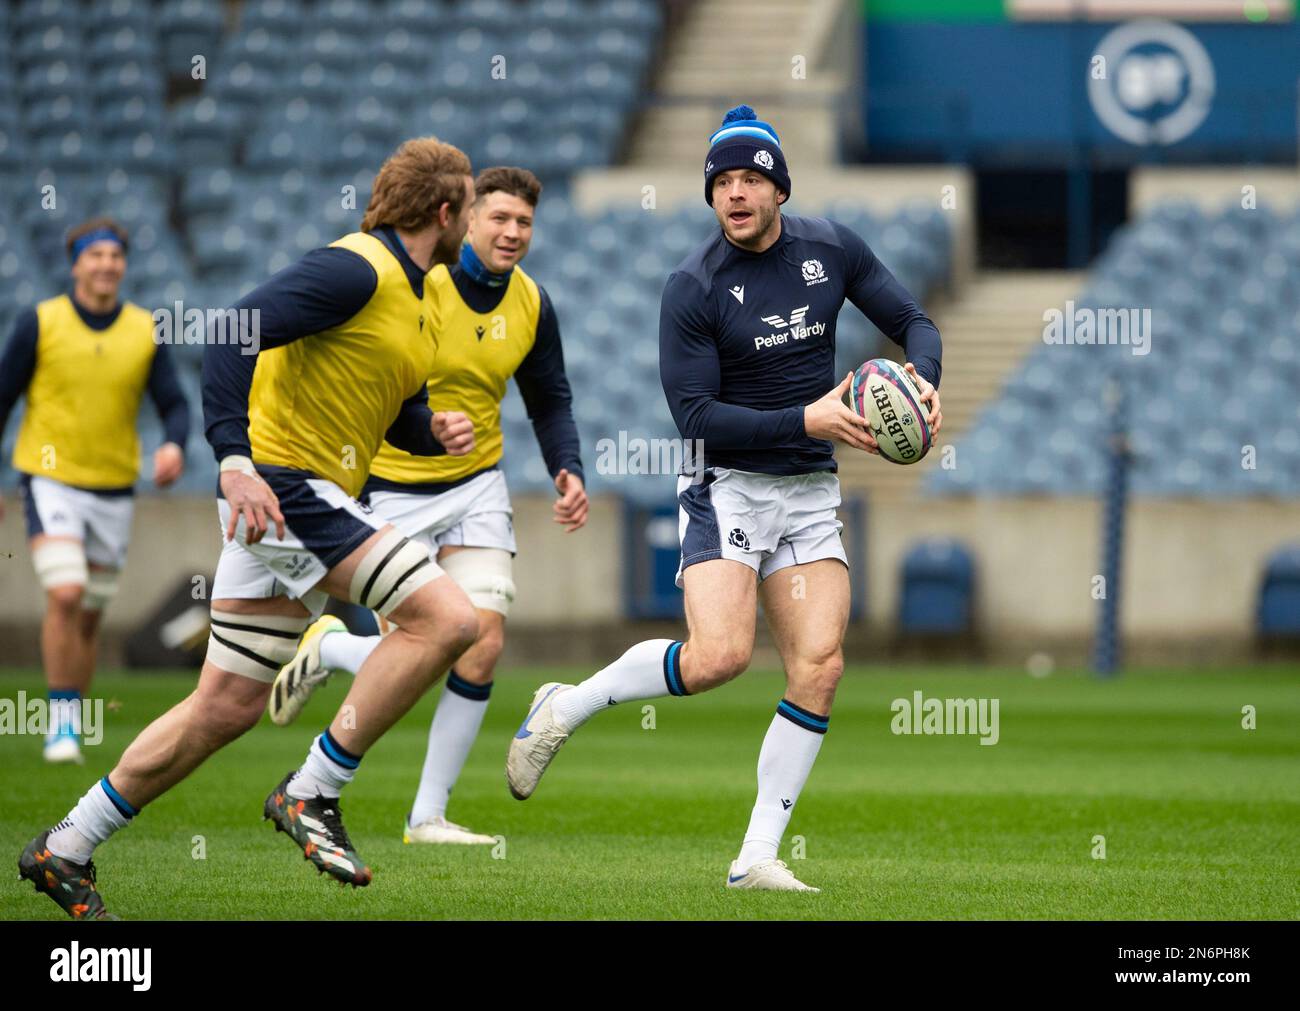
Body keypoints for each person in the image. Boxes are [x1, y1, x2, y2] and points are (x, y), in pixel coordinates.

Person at [18, 137, 481, 919]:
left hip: (288, 501)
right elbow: (232, 329)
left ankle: (65, 845)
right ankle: (313, 789)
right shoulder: (357, 267)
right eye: (469, 206)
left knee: (224, 707)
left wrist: (429, 429)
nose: (472, 222)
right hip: (285, 486)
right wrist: (233, 458)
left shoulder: (423, 297)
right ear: (444, 211)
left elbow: (392, 406)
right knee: (450, 618)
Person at [504, 105, 944, 892]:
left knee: (819, 666)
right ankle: (568, 703)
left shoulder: (831, 249)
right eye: (721, 182)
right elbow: (696, 419)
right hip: (726, 483)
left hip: (807, 488)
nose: (735, 193)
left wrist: (925, 381)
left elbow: (913, 321)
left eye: (750, 178)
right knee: (721, 657)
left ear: (779, 188)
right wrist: (807, 418)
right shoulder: (694, 286)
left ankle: (756, 857)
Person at [267, 166, 587, 846]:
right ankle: (331, 646)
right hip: (391, 482)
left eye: (524, 222)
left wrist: (568, 468)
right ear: (467, 220)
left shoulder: (532, 302)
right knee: (418, 645)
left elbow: (550, 397)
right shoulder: (420, 285)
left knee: (483, 640)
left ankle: (428, 816)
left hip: (476, 485)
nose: (512, 232)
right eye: (498, 217)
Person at [0, 216, 189, 764]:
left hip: (114, 488)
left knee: (88, 614)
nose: (107, 264)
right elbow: (3, 396)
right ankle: (59, 727)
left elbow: (174, 403)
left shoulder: (142, 330)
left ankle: (72, 723)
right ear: (75, 264)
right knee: (65, 593)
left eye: (115, 256)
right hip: (51, 479)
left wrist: (173, 445)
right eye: (96, 255)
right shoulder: (41, 323)